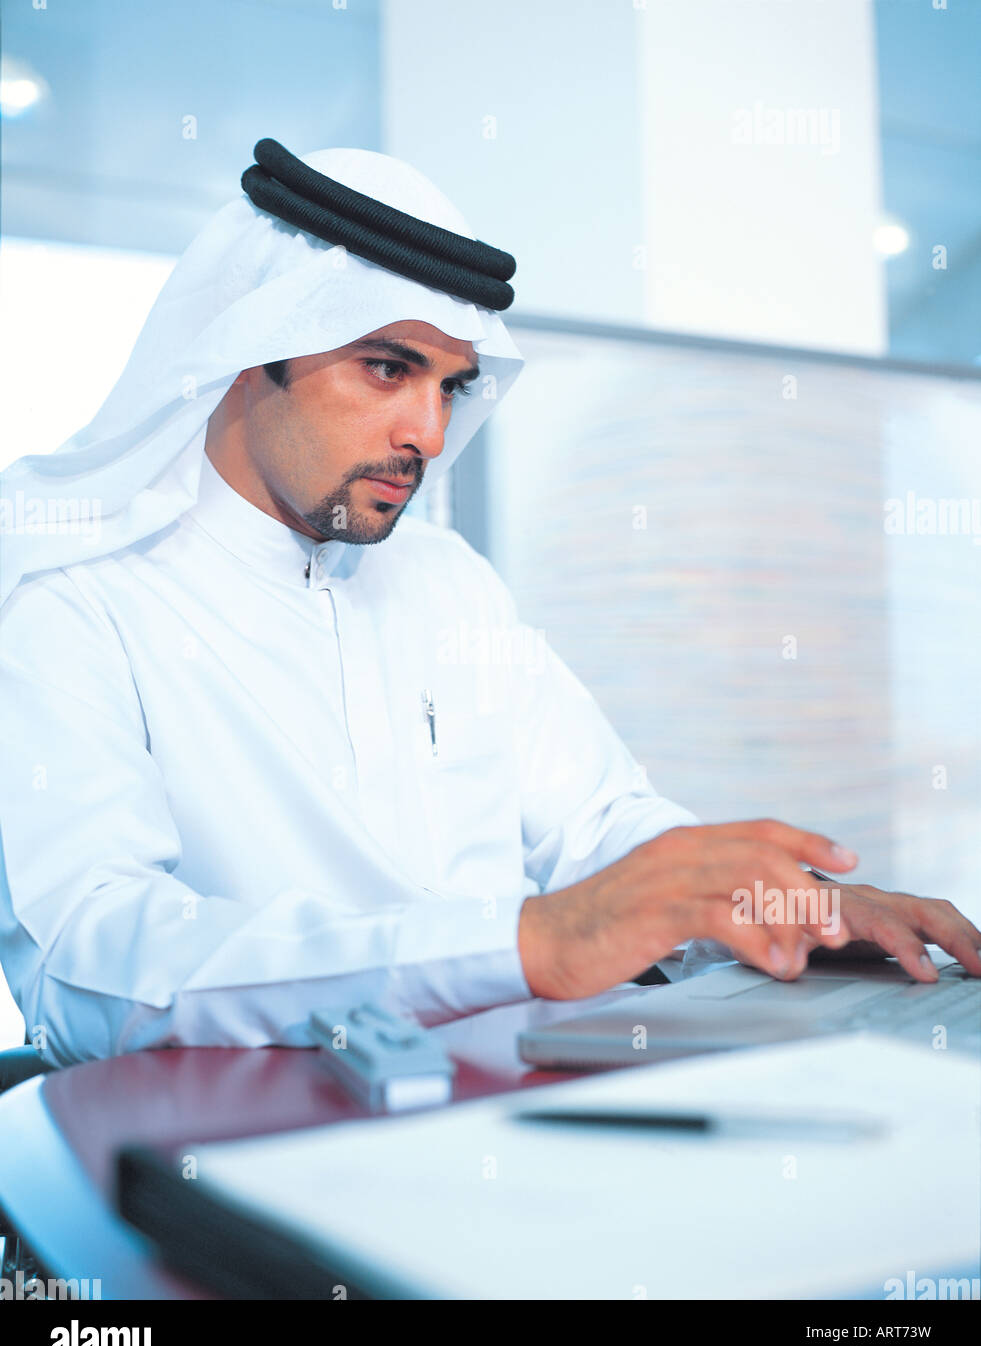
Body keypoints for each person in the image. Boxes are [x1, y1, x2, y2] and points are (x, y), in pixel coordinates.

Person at [0, 142, 977, 1068]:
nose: (427, 430)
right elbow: (90, 967)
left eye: (452, 385)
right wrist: (531, 942)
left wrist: (788, 908)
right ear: (257, 352)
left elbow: (598, 823)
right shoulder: (68, 592)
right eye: (388, 368)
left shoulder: (444, 580)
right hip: (258, 1148)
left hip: (519, 1102)